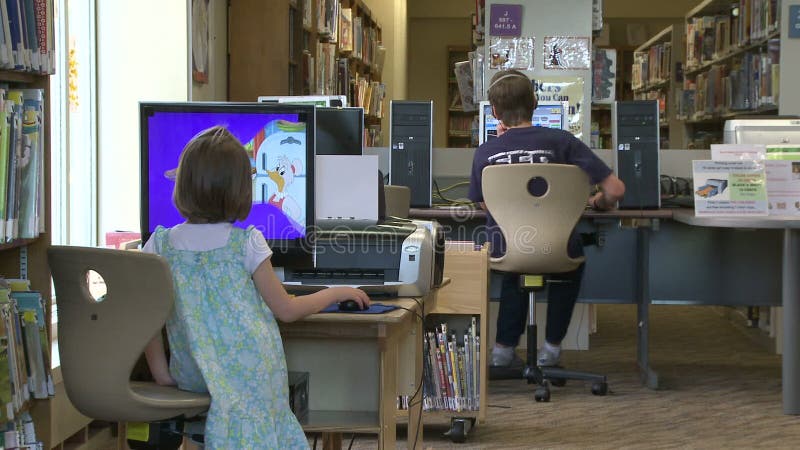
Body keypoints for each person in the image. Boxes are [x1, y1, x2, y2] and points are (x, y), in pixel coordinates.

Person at [142, 126, 370, 449]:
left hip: (193, 375)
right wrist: (335, 292)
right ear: (240, 191)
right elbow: (287, 309)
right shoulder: (246, 243)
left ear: (183, 184)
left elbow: (144, 313)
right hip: (249, 377)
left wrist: (160, 373)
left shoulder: (159, 244)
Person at [468, 69, 625, 368]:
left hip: (508, 249)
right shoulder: (563, 141)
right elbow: (615, 189)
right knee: (567, 267)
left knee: (517, 265)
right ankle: (551, 350)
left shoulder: (485, 152)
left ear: (496, 112)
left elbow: (482, 202)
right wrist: (597, 202)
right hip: (559, 247)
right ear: (535, 104)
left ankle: (502, 351)